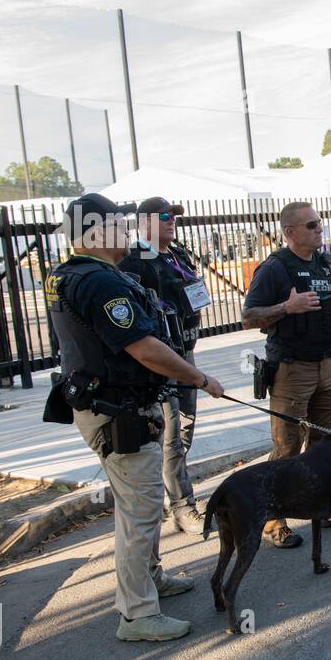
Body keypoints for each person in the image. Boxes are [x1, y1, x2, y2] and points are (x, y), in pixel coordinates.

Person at [45, 193, 225, 643]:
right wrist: (199, 379)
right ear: (93, 233)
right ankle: (137, 614)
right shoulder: (100, 283)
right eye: (118, 226)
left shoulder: (81, 275)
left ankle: (151, 579)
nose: (127, 233)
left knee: (139, 509)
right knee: (140, 513)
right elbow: (143, 348)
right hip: (118, 413)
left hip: (115, 405)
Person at [241, 201, 331, 549]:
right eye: (311, 225)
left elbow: (330, 305)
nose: (318, 229)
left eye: (319, 223)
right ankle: (271, 520)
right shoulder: (275, 268)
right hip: (291, 369)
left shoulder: (323, 262)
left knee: (327, 443)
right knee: (288, 447)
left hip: (325, 364)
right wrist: (286, 307)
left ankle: (326, 508)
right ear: (290, 232)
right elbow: (248, 317)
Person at [119, 196, 209, 534]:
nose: (172, 221)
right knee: (169, 435)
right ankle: (181, 506)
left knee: (183, 431)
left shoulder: (178, 254)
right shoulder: (134, 259)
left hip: (185, 351)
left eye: (174, 217)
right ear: (143, 222)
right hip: (160, 359)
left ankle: (169, 500)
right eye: (164, 216)